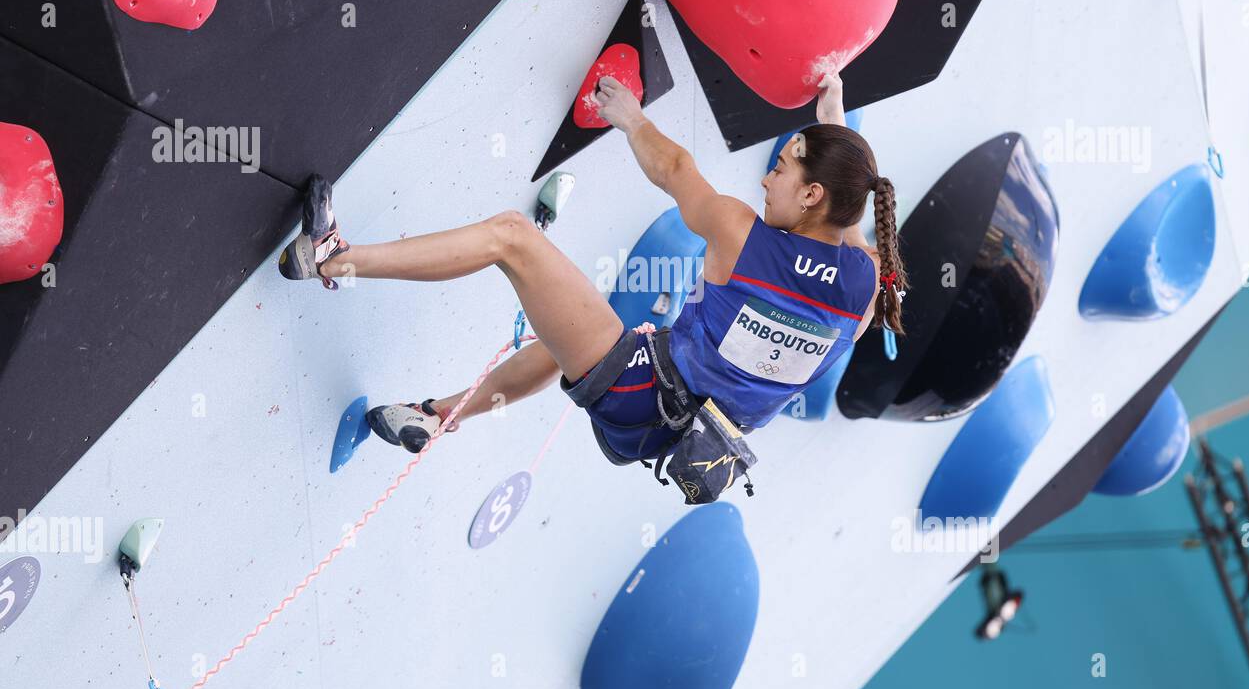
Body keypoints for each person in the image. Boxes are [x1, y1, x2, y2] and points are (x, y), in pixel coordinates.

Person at [278, 70, 908, 492]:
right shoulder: (865, 288)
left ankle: (334, 258)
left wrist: (630, 117)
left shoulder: (741, 233)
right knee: (566, 340)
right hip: (675, 441)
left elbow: (677, 169)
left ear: (812, 194)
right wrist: (834, 123)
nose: (768, 178)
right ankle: (435, 417)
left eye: (783, 167)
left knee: (513, 239)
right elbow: (844, 230)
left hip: (641, 387)